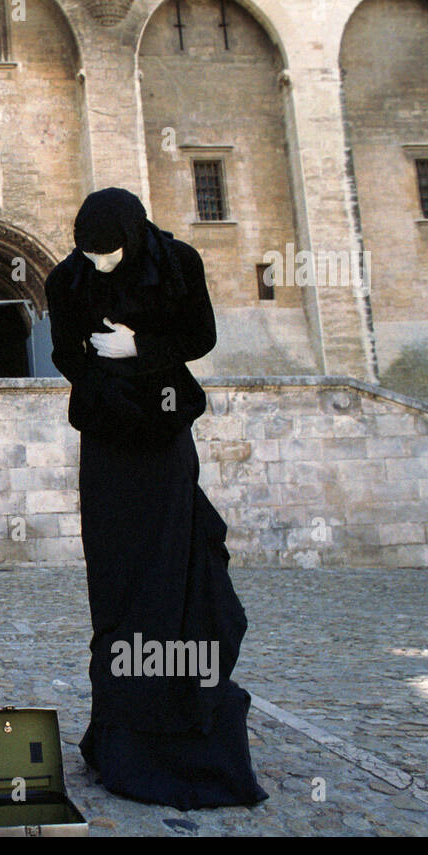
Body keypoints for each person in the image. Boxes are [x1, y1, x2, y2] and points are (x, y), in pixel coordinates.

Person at [45, 187, 268, 810]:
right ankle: (121, 727)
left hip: (165, 431)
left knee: (170, 565)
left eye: (111, 252)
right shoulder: (68, 280)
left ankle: (174, 711)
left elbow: (200, 336)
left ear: (134, 235)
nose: (102, 264)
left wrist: (138, 348)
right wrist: (101, 384)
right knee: (115, 575)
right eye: (91, 254)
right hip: (108, 439)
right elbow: (67, 352)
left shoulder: (178, 263)